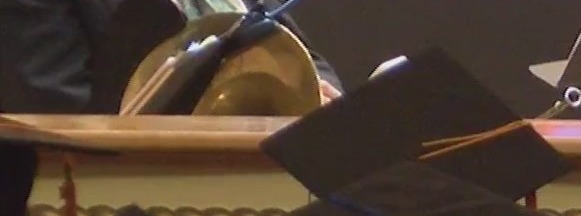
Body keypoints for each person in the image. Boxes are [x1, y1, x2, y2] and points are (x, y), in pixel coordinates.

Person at [0, 0, 340, 115]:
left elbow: (302, 52)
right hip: (131, 207)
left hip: (270, 181)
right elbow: (52, 113)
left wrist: (322, 97)